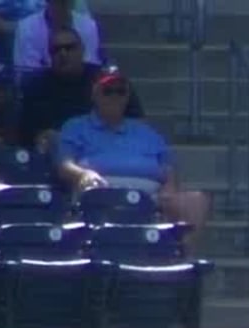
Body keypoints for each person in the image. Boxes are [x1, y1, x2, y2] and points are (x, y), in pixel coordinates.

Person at [56, 68, 207, 248]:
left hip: (151, 199)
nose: (114, 97)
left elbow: (168, 168)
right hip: (100, 191)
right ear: (95, 95)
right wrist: (83, 174)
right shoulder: (76, 127)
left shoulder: (147, 132)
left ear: (127, 97)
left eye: (120, 92)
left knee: (196, 201)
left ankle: (180, 257)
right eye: (108, 91)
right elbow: (64, 165)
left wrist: (169, 188)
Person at [19, 25, 142, 151]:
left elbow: (136, 124)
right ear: (50, 56)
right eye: (56, 50)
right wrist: (38, 137)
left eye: (69, 48)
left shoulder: (108, 82)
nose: (63, 53)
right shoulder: (35, 87)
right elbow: (23, 134)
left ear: (82, 50)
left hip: (103, 150)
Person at [13, 0, 102, 72]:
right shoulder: (26, 27)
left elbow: (90, 66)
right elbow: (28, 72)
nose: (63, 4)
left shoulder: (89, 26)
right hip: (39, 89)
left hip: (80, 87)